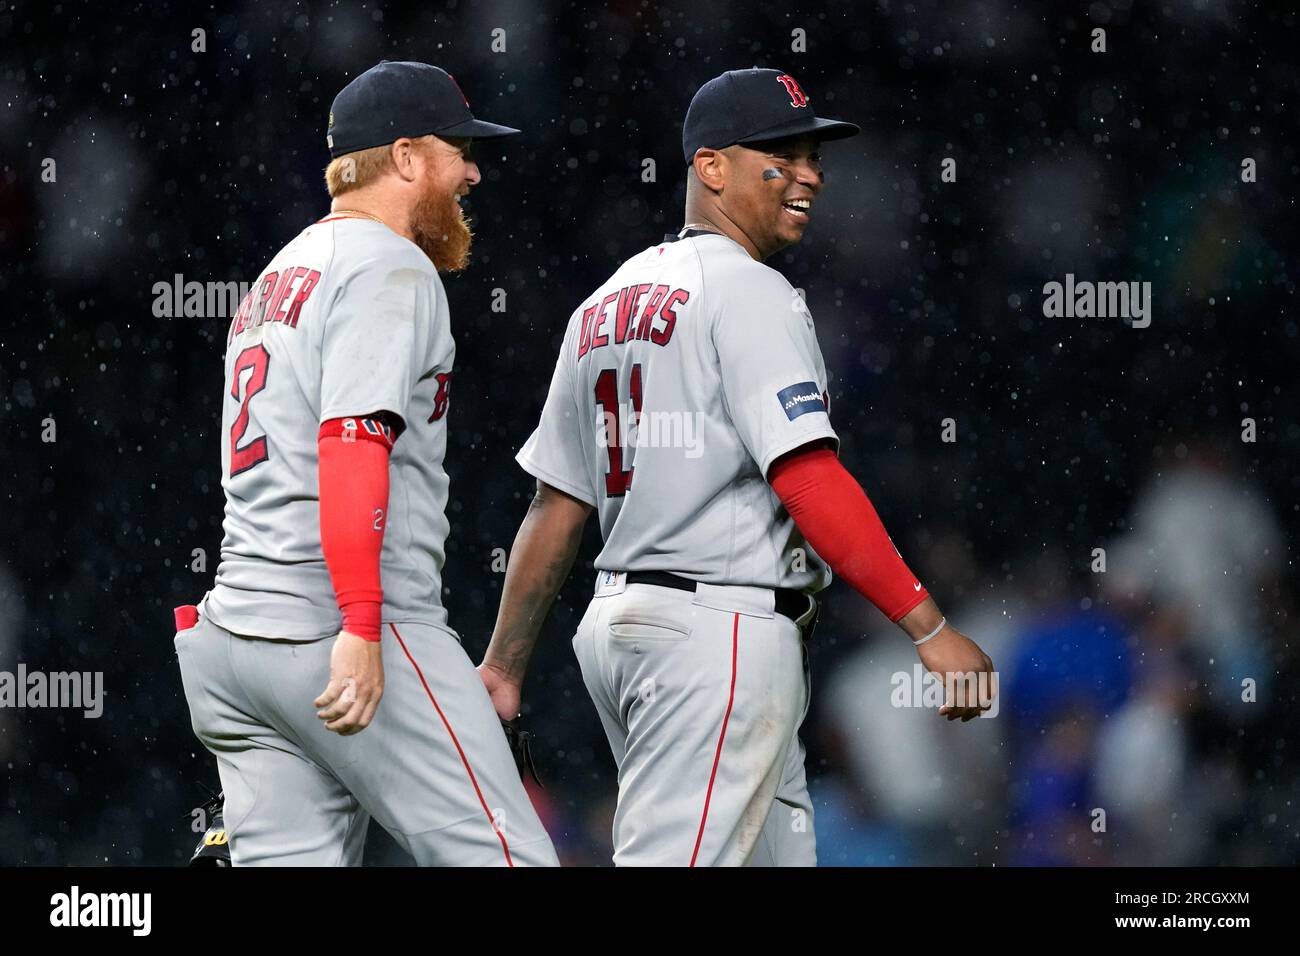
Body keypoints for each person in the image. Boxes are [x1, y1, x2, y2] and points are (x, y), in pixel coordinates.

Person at [478, 68, 995, 866]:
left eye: (813, 156)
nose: (811, 173)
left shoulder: (603, 304)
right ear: (711, 167)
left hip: (628, 630)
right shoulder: (751, 291)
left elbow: (557, 506)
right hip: (712, 634)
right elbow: (809, 477)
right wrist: (926, 626)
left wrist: (505, 666)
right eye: (783, 155)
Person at [174, 61, 557, 866]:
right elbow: (352, 443)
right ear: (408, 157)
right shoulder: (388, 264)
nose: (473, 172)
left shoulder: (281, 272)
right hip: (340, 625)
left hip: (235, 642)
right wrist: (357, 621)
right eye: (460, 151)